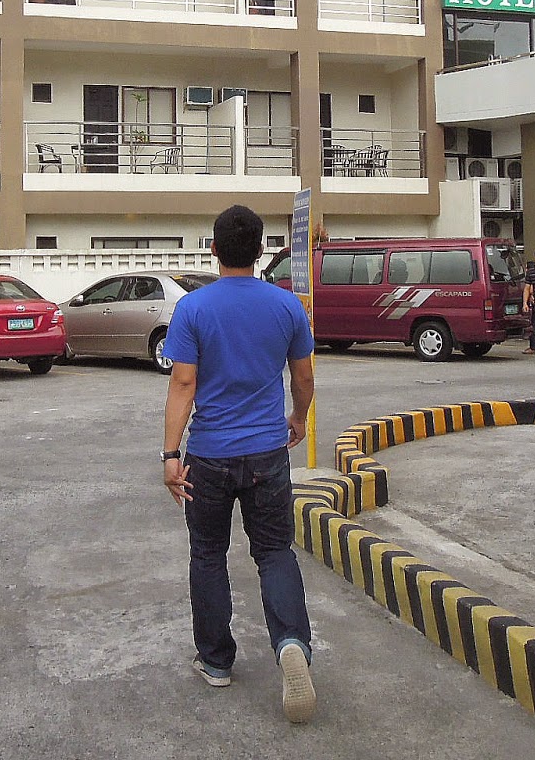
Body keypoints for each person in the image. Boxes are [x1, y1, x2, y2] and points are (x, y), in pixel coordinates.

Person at [162, 204, 318, 724]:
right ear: (260, 250)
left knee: (208, 554)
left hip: (208, 454)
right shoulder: (287, 306)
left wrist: (170, 455)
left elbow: (183, 384)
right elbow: (303, 377)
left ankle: (216, 662)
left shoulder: (193, 309)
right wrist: (297, 418)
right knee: (274, 552)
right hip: (267, 452)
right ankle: (291, 642)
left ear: (213, 249)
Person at [520, 259, 535, 354]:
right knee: (534, 325)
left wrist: (529, 297)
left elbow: (530, 289)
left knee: (534, 326)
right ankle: (533, 346)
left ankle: (533, 347)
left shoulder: (530, 277)